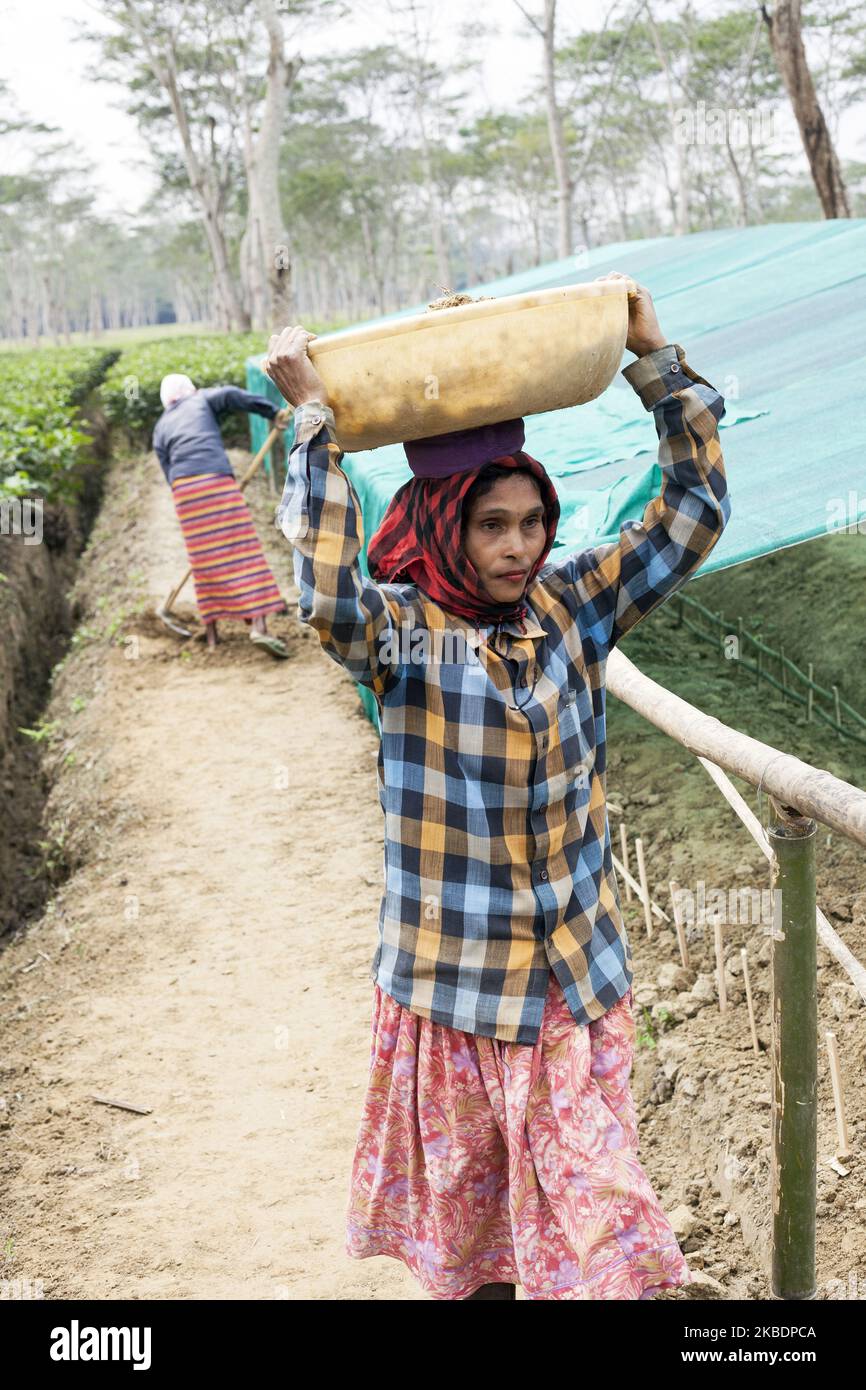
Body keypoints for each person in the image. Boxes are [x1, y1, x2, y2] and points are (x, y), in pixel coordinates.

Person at [264, 272, 731, 1301]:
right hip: (458, 997)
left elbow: (692, 513)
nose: (519, 544)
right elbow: (325, 593)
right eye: (491, 525)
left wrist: (654, 363)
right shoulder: (401, 637)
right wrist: (314, 425)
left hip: (573, 989)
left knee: (607, 1235)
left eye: (530, 519)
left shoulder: (573, 606)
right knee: (479, 1255)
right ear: (444, 528)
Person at [152, 373, 293, 656]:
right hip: (215, 479)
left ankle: (214, 637)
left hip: (184, 491)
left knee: (204, 558)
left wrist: (191, 492)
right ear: (189, 391)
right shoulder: (201, 399)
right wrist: (272, 411)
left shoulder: (160, 426)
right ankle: (258, 626)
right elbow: (232, 395)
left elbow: (167, 468)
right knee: (243, 550)